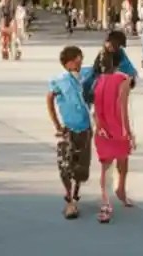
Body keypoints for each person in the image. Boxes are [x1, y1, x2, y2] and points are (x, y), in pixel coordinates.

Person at [46, 46, 94, 219]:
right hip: (68, 130)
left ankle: (75, 194)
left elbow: (103, 68)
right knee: (65, 165)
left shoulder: (87, 74)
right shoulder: (59, 81)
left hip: (86, 128)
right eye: (76, 58)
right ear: (68, 63)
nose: (80, 61)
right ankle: (70, 201)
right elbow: (50, 98)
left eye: (80, 57)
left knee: (82, 169)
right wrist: (57, 125)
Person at [92, 46, 134, 223]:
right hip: (118, 127)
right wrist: (129, 132)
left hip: (102, 128)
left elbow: (95, 109)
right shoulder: (124, 79)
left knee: (106, 168)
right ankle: (121, 190)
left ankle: (105, 203)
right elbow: (123, 109)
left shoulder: (98, 80)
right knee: (122, 162)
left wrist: (99, 126)